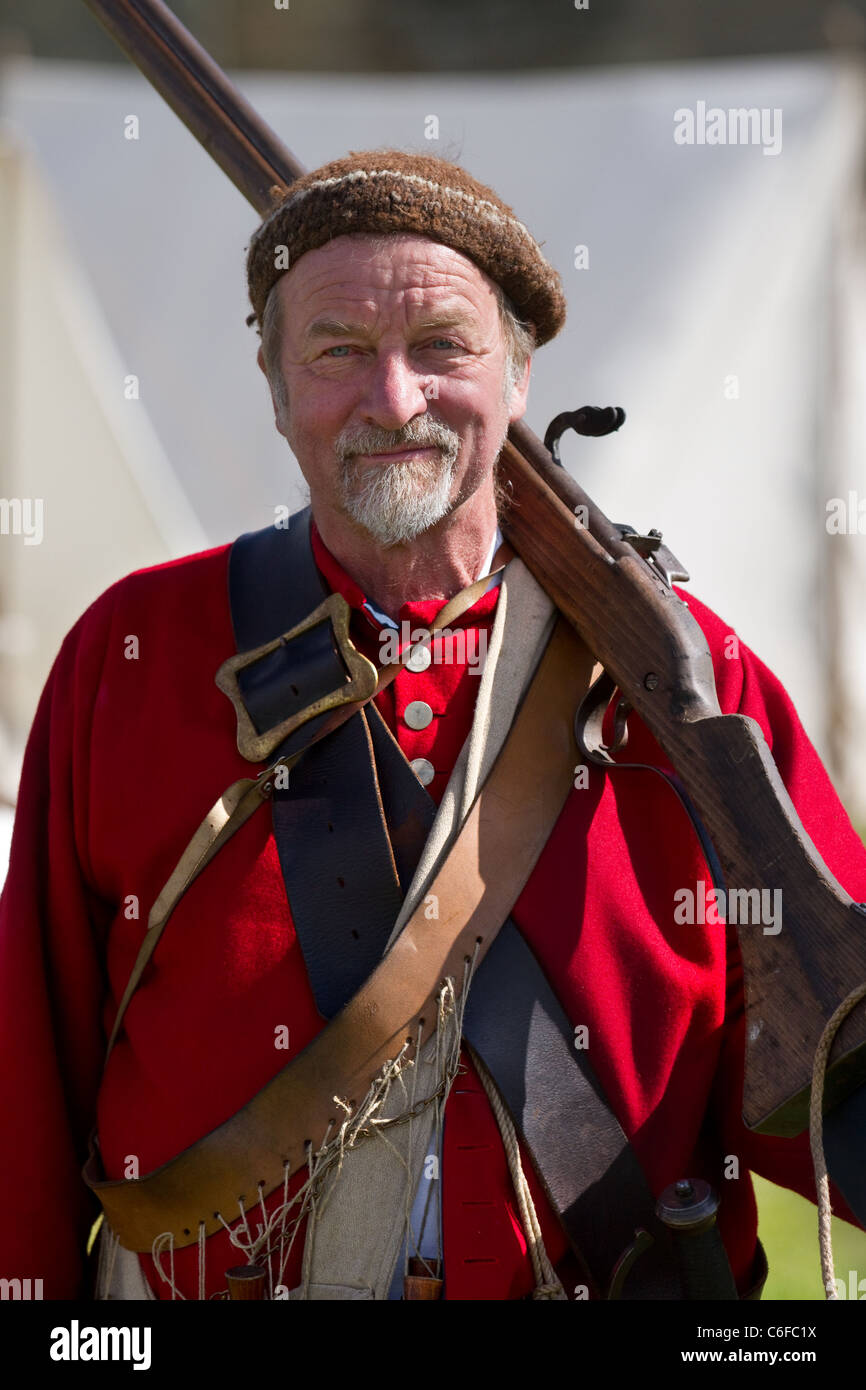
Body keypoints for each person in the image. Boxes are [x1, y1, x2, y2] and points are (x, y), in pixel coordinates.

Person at [1, 148, 864, 1302]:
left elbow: (826, 1085)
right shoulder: (131, 652)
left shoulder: (693, 682)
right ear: (272, 385)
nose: (393, 399)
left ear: (514, 378)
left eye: (442, 348)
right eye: (337, 351)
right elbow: (28, 1068)